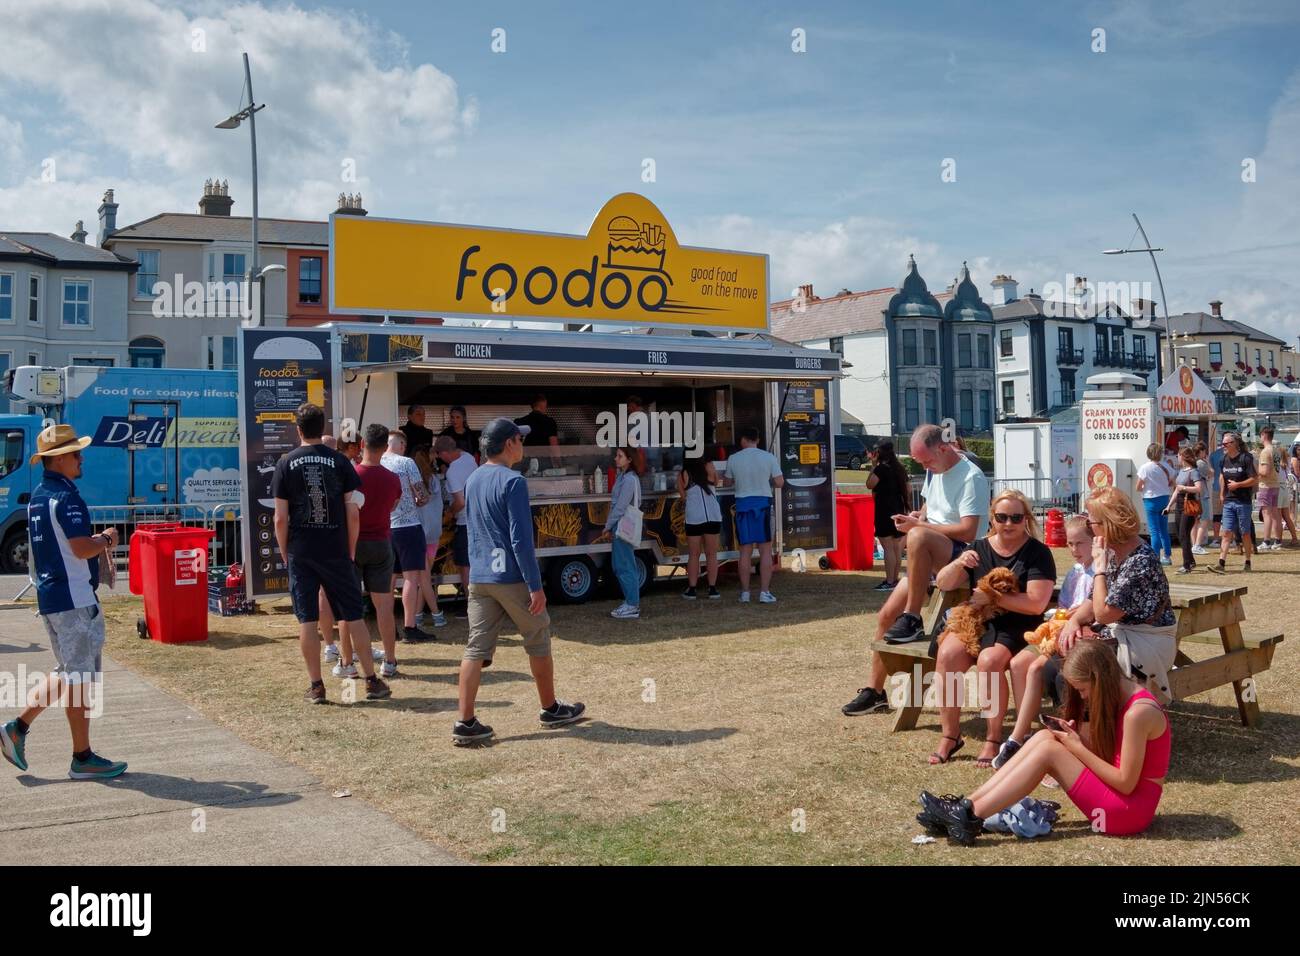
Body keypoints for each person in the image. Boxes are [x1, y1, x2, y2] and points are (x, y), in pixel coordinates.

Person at [919, 639, 1170, 845]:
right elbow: (1111, 762)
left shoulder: (1139, 712)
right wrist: (1079, 740)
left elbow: (1126, 783)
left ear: (1098, 678)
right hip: (1118, 800)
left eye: (1083, 690)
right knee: (1044, 736)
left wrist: (1077, 748)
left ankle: (970, 816)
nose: (1083, 697)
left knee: (1050, 749)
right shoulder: (1122, 698)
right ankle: (967, 806)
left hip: (1128, 813)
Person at [2, 424, 125, 779]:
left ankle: (18, 728)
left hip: (54, 596)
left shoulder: (40, 495)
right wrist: (104, 539)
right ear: (57, 459)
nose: (81, 457)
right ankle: (81, 757)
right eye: (75, 453)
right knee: (79, 679)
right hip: (74, 599)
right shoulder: (67, 497)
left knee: (71, 672)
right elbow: (80, 547)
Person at [841, 423, 989, 717]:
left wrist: (920, 526)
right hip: (933, 553)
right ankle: (875, 692)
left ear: (944, 448)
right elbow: (929, 510)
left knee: (919, 536)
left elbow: (968, 529)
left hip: (966, 557)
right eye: (919, 462)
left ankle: (913, 617)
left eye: (926, 460)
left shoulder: (971, 476)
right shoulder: (936, 470)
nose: (924, 466)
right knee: (885, 616)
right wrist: (915, 516)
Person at [453, 418, 585, 745]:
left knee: (476, 647)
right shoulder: (513, 481)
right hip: (510, 576)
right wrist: (535, 584)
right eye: (520, 440)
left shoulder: (473, 480)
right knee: (538, 637)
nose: (522, 445)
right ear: (510, 443)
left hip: (481, 576)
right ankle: (550, 708)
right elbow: (520, 539)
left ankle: (465, 721)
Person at [928, 489, 1056, 768]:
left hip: (1019, 624)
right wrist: (959, 562)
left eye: (1015, 517)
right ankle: (950, 735)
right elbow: (944, 584)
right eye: (1002, 517)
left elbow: (1036, 604)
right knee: (947, 655)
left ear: (1026, 519)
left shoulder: (1038, 553)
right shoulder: (978, 548)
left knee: (989, 660)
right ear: (992, 518)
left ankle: (994, 737)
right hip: (978, 621)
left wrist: (995, 598)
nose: (1008, 523)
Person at [272, 403, 390, 704]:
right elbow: (353, 512)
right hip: (336, 548)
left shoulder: (286, 463)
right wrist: (350, 548)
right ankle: (371, 680)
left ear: (298, 430)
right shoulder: (340, 461)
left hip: (302, 550)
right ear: (322, 427)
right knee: (353, 615)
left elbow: (280, 518)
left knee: (307, 620)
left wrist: (286, 552)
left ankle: (316, 685)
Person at [1000, 514, 1097, 768]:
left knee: (1035, 667)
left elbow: (1094, 609)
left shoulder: (1100, 572)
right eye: (1070, 544)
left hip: (1078, 634)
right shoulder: (1076, 572)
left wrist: (1070, 616)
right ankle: (1026, 729)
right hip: (1058, 630)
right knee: (1019, 662)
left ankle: (1018, 737)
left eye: (1080, 543)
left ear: (1094, 542)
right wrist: (1060, 615)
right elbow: (1064, 604)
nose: (1074, 550)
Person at [1087, 485, 1177, 703]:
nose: (1089, 529)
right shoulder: (1114, 552)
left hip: (1145, 642)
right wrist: (1073, 623)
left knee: (1079, 670)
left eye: (1090, 523)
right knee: (1052, 666)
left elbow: (1103, 615)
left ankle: (1099, 733)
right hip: (1123, 635)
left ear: (1107, 525)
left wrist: (1098, 569)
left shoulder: (1140, 561)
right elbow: (1093, 599)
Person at [350, 424, 404, 677]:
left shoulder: (351, 476)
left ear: (362, 445)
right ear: (385, 448)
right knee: (384, 605)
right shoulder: (393, 479)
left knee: (350, 606)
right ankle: (390, 660)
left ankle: (350, 660)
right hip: (382, 543)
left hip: (354, 543)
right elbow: (393, 506)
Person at [382, 431, 436, 643]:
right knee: (411, 579)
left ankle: (388, 625)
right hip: (408, 525)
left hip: (385, 527)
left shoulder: (376, 462)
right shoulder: (406, 463)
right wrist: (418, 500)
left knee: (388, 579)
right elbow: (422, 496)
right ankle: (410, 626)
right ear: (402, 444)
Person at [727, 426, 785, 603]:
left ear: (743, 439)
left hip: (743, 507)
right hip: (763, 507)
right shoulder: (769, 458)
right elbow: (780, 482)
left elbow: (728, 481)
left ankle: (745, 593)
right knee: (765, 551)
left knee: (745, 551)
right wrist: (766, 480)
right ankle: (764, 592)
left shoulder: (733, 458)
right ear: (758, 440)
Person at [436, 434, 478, 612]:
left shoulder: (453, 472)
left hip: (465, 522)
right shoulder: (467, 457)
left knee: (464, 565)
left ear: (445, 453)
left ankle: (472, 606)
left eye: (439, 455)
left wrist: (449, 513)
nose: (439, 459)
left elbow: (460, 502)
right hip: (479, 519)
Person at [604, 447, 644, 619]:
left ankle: (632, 604)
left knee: (624, 565)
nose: (616, 459)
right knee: (622, 564)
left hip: (623, 525)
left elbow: (620, 506)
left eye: (620, 456)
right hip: (621, 525)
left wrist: (608, 525)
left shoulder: (628, 479)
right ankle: (630, 602)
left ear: (629, 459)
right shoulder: (625, 477)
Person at [866, 440, 909, 591]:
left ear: (879, 453)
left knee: (887, 547)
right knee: (897, 547)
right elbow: (908, 488)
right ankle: (894, 579)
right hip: (898, 508)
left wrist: (873, 467)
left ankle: (889, 581)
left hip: (884, 510)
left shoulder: (881, 469)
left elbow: (869, 484)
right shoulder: (899, 468)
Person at [678, 456, 722, 600]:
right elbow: (716, 482)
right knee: (712, 554)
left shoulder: (683, 473)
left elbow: (683, 496)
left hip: (694, 517)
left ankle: (692, 589)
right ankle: (712, 588)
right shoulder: (709, 466)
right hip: (712, 516)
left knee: (694, 554)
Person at [1213, 431, 1256, 573]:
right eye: (1222, 443)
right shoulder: (1223, 459)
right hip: (1229, 501)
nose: (1223, 446)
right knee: (1226, 532)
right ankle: (1221, 563)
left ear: (1234, 444)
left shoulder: (1246, 458)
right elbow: (1221, 476)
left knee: (1245, 533)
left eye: (1225, 444)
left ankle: (1248, 562)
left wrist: (1238, 485)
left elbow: (1254, 479)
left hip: (1243, 501)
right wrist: (1221, 493)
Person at [414, 448, 448, 628]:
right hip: (434, 532)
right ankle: (418, 615)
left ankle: (437, 615)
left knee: (423, 579)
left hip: (419, 532)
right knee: (424, 578)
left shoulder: (414, 483)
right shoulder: (436, 480)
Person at [1169, 446, 1206, 574]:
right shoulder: (1181, 471)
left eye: (1179, 455)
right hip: (1179, 505)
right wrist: (1169, 506)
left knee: (1184, 534)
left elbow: (1198, 488)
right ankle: (1190, 561)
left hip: (1189, 505)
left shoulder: (1194, 471)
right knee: (1180, 535)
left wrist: (1184, 488)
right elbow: (1176, 490)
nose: (1177, 458)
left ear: (1183, 457)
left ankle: (1186, 565)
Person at [1136, 443, 1173, 566]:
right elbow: (1172, 482)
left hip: (1150, 499)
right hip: (1164, 498)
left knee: (1154, 531)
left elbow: (1138, 486)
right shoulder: (1166, 466)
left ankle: (1155, 557)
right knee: (1164, 530)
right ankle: (1167, 556)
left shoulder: (1145, 468)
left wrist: (1144, 489)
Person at [1255, 425, 1284, 551]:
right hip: (1275, 484)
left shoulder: (1265, 452)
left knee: (1266, 514)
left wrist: (1255, 470)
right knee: (1276, 514)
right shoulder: (1276, 450)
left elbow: (1264, 472)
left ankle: (1266, 541)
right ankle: (1278, 540)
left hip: (1266, 485)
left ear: (1264, 435)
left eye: (1260, 435)